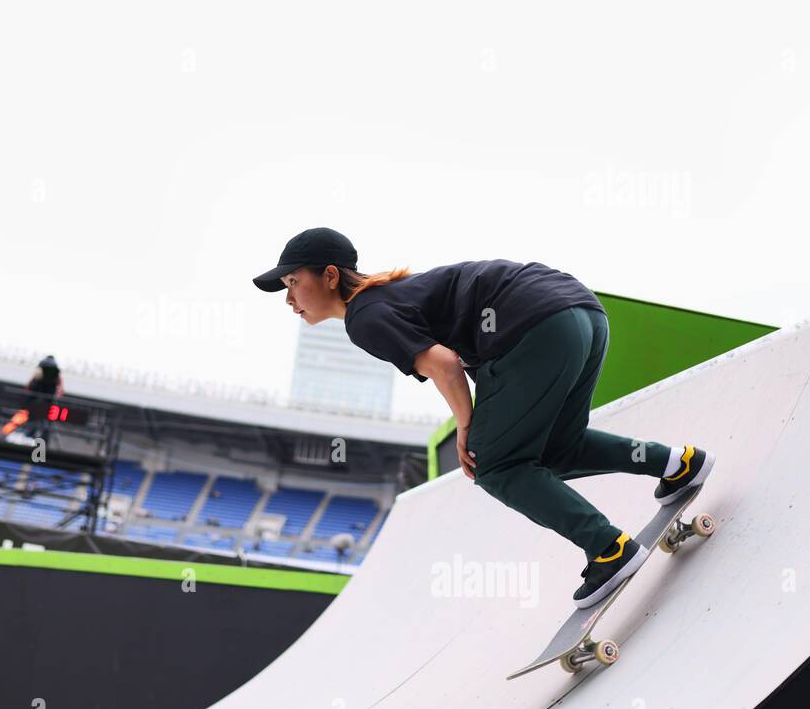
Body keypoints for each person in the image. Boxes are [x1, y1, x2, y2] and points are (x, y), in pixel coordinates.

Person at [253, 227, 714, 608]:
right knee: (556, 448)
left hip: (533, 326)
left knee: (492, 463)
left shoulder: (365, 316)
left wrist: (466, 429)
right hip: (580, 313)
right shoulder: (388, 297)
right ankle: (678, 464)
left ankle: (608, 549)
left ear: (330, 275)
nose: (289, 298)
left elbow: (446, 365)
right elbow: (448, 360)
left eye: (293, 282)